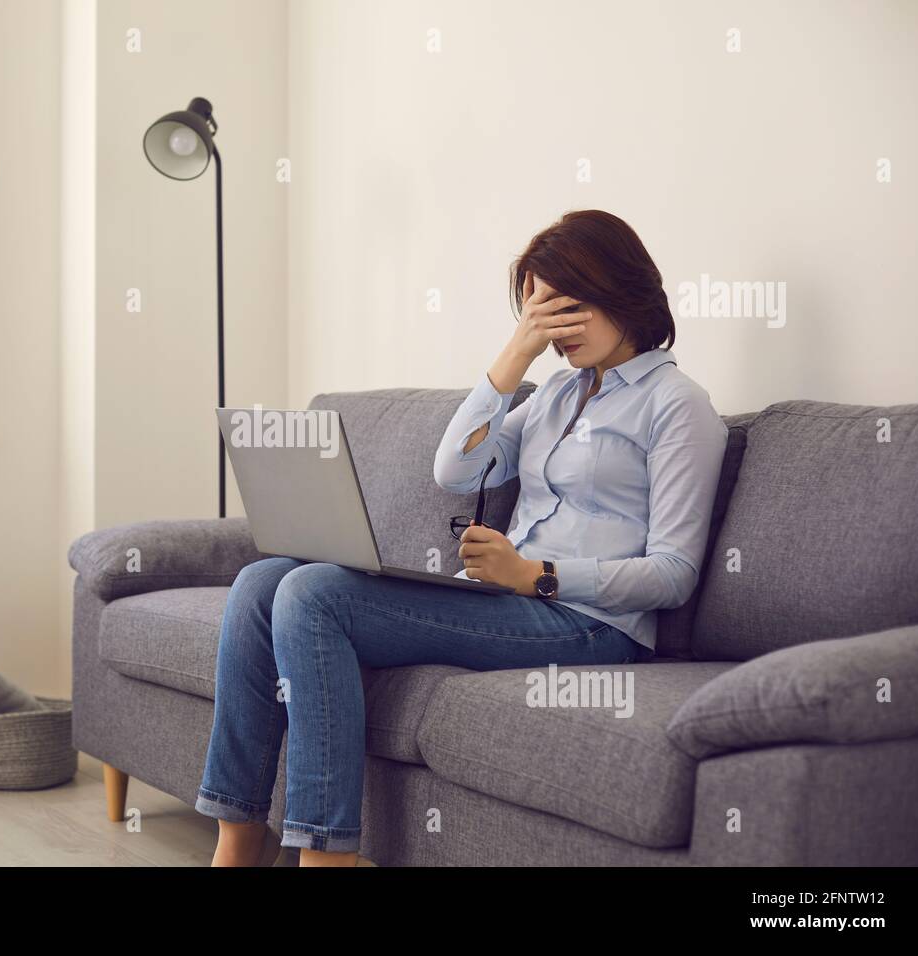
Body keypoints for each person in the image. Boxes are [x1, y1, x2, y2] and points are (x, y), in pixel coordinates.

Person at [196, 210, 729, 866]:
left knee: (313, 595)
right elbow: (456, 468)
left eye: (564, 307)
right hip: (507, 599)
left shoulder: (678, 405)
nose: (555, 328)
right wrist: (517, 354)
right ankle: (239, 837)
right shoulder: (560, 394)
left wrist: (535, 574)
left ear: (622, 290)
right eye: (538, 312)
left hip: (590, 623)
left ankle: (327, 855)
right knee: (260, 582)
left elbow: (674, 572)